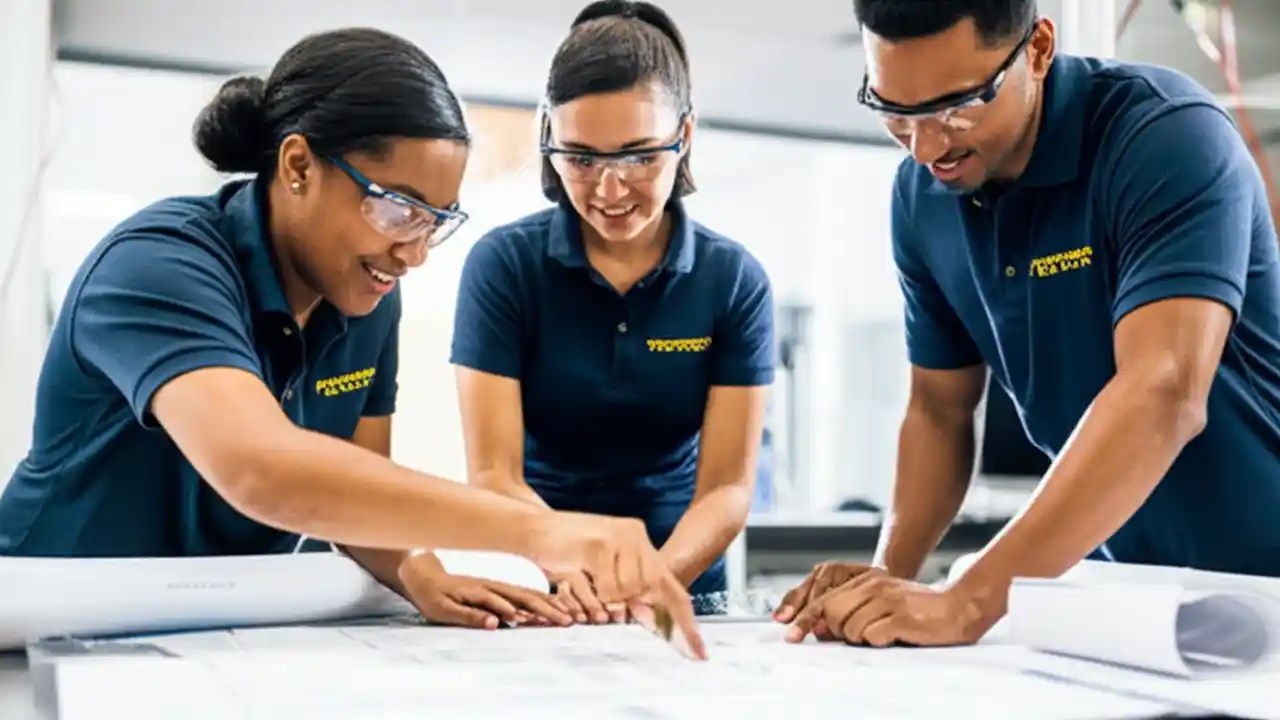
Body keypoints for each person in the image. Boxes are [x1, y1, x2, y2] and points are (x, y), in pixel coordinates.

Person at [0, 27, 703, 653]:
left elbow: (352, 489)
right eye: (397, 208)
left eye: (435, 221)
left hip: (206, 635)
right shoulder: (158, 263)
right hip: (49, 621)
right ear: (298, 166)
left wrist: (418, 571)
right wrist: (549, 532)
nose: (414, 253)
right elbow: (262, 470)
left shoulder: (367, 299)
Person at [776, 0, 1280, 647]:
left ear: (1038, 50)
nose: (926, 146)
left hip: (1269, 586)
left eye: (957, 105)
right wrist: (883, 580)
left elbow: (1164, 393)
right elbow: (938, 411)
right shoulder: (922, 198)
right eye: (894, 111)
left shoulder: (1163, 135)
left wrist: (966, 602)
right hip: (1129, 596)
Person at [450, 0, 774, 621]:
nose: (608, 189)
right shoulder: (504, 267)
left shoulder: (732, 281)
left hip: (682, 573)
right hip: (539, 569)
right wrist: (570, 570)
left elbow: (728, 488)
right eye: (580, 158)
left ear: (684, 137)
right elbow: (493, 474)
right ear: (549, 143)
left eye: (639, 157)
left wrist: (651, 581)